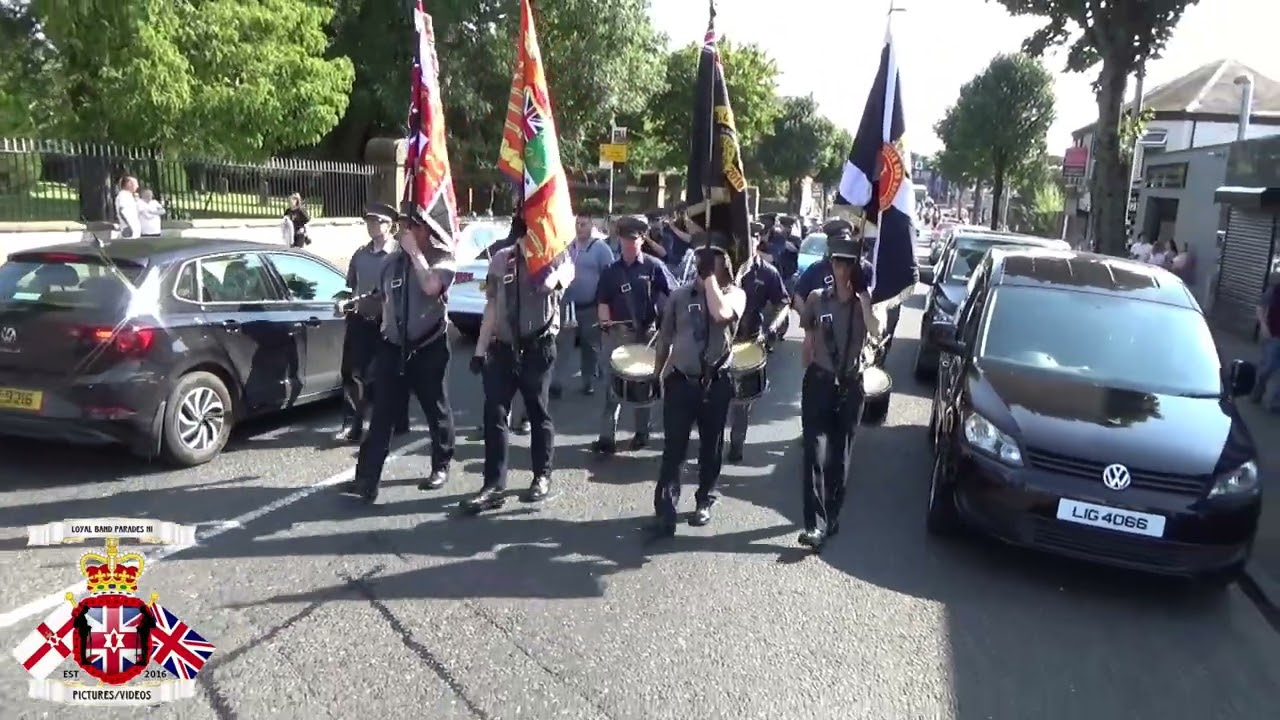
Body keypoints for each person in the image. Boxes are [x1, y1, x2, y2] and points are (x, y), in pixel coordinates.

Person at [339, 208, 457, 503]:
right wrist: (357, 306)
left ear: (425, 231)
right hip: (393, 347)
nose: (403, 232)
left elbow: (432, 287)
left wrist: (416, 253)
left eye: (410, 227)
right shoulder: (391, 264)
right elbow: (381, 298)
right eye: (403, 227)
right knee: (382, 415)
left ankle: (441, 465)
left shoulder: (442, 260)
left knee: (436, 410)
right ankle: (366, 479)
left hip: (428, 347)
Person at [464, 219, 575, 512]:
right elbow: (491, 306)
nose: (523, 240)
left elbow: (565, 275)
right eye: (521, 234)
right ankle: (493, 486)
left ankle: (541, 476)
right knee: (495, 412)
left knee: (537, 411)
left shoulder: (554, 258)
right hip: (503, 349)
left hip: (537, 347)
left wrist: (549, 273)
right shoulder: (501, 259)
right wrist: (479, 350)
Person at [650, 234, 746, 536]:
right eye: (704, 261)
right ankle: (665, 508)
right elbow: (665, 339)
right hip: (681, 380)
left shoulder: (735, 295)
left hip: (716, 382)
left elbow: (721, 314)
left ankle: (705, 498)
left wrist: (710, 283)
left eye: (714, 261)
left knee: (711, 447)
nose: (706, 266)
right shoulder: (679, 296)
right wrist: (657, 375)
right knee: (673, 448)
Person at [796, 219, 880, 550]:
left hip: (850, 384)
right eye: (836, 261)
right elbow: (807, 336)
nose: (841, 268)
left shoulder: (864, 303)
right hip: (819, 380)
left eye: (847, 263)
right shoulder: (818, 298)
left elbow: (875, 330)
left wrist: (864, 299)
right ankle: (813, 524)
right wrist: (809, 355)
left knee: (839, 456)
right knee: (813, 453)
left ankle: (832, 516)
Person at [592, 215, 676, 454]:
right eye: (626, 240)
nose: (630, 244)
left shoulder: (654, 266)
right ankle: (607, 438)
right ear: (619, 240)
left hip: (647, 334)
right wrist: (604, 320)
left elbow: (674, 294)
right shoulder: (610, 271)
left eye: (635, 240)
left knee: (643, 386)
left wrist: (667, 322)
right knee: (612, 387)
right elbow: (602, 300)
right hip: (618, 335)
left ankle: (642, 433)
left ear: (641, 240)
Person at [336, 203, 409, 443]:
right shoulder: (360, 254)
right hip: (359, 321)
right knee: (351, 373)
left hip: (387, 323)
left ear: (390, 225)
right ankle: (354, 422)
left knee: (386, 376)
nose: (371, 226)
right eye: (368, 221)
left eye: (376, 221)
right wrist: (344, 302)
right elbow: (351, 286)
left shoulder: (399, 255)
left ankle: (395, 420)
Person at [726, 222, 790, 462]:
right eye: (743, 239)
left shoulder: (767, 272)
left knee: (742, 399)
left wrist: (771, 328)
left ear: (758, 241)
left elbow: (784, 302)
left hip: (750, 340)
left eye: (752, 239)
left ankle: (736, 444)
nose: (747, 243)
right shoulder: (725, 268)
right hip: (722, 341)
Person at [551, 214, 614, 398]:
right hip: (568, 305)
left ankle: (588, 381)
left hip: (590, 307)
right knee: (563, 345)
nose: (579, 227)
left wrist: (604, 303)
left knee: (590, 346)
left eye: (583, 224)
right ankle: (556, 383)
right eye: (577, 224)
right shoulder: (567, 246)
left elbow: (608, 276)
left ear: (591, 225)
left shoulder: (600, 249)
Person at [1252, 273, 1280, 412]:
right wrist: (1263, 325)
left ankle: (1275, 403)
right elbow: (1260, 306)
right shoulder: (1275, 289)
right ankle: (1258, 390)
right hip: (1273, 335)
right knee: (1267, 368)